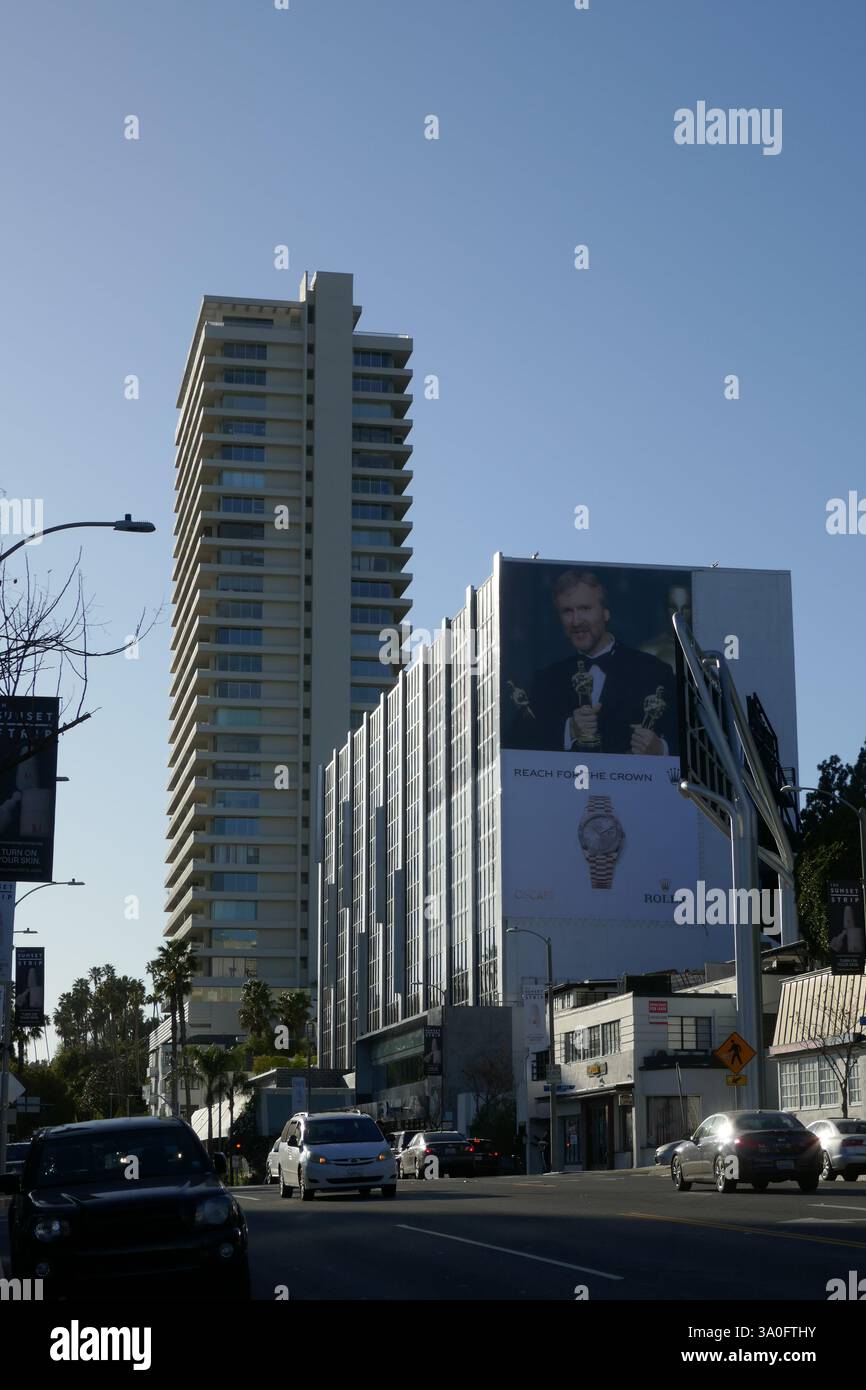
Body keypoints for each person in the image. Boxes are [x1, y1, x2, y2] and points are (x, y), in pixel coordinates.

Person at [505, 569, 678, 755]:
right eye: (567, 611)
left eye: (585, 609)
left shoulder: (653, 671)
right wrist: (569, 730)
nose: (576, 621)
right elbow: (516, 745)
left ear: (605, 613)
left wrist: (661, 749)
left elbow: (690, 740)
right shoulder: (546, 681)